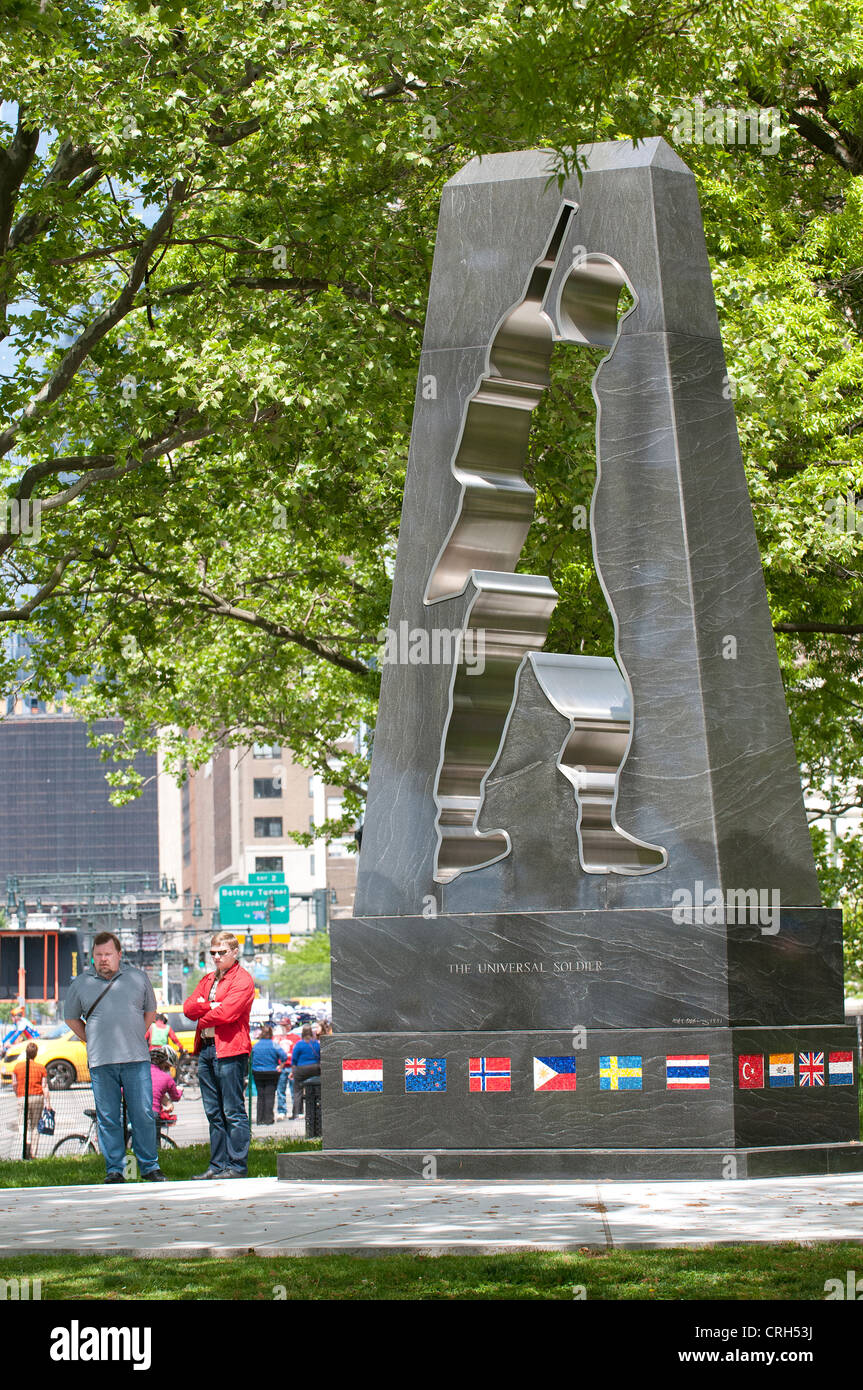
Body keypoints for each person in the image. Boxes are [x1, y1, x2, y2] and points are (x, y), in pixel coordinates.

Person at [64, 931, 166, 1183]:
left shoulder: (137, 978)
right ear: (92, 957)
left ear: (119, 955)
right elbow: (70, 1018)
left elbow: (150, 1011)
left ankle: (149, 1166)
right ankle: (115, 1169)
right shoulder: (81, 984)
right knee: (108, 1117)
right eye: (98, 955)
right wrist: (92, 1038)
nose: (103, 959)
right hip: (101, 1062)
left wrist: (135, 1033)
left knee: (142, 1114)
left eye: (108, 954)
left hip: (136, 1060)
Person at [183, 931, 254, 1179]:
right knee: (213, 1111)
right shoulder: (208, 979)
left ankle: (236, 1166)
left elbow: (228, 1013)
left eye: (221, 952)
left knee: (232, 1109)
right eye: (212, 953)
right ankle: (217, 1165)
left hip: (231, 1050)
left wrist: (205, 1013)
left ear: (234, 952)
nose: (216, 957)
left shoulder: (242, 980)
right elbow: (188, 1008)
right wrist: (209, 1006)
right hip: (207, 1049)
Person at [11, 1041, 49, 1158]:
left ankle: (26, 1146)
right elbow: (44, 1086)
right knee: (35, 1125)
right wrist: (48, 1103)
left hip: (22, 1097)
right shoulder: (41, 1068)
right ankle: (33, 1153)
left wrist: (17, 1093)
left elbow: (14, 1083)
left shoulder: (17, 1067)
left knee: (23, 1124)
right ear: (35, 1054)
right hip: (37, 1097)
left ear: (26, 1053)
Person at [250, 1025, 287, 1125]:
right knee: (269, 1095)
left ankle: (260, 1118)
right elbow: (284, 1056)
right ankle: (268, 1118)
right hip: (271, 1072)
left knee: (260, 1096)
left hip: (257, 1072)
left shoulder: (256, 1045)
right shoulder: (274, 1045)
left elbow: (250, 1058)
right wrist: (281, 1065)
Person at [289, 1024, 321, 1120]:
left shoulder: (299, 1044)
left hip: (301, 1069)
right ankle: (315, 1111)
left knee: (297, 1091)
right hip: (314, 1068)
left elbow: (294, 1059)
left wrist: (293, 1071)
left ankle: (297, 1113)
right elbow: (320, 1057)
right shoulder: (316, 1044)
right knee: (316, 1091)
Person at [150, 1047, 183, 1128]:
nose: (167, 1070)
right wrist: (180, 1090)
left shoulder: (142, 1071)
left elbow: (154, 1091)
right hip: (153, 1112)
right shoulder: (166, 1078)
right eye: (167, 1067)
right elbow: (176, 1097)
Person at [275, 1015, 300, 1118]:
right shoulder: (277, 1038)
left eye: (284, 1026)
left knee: (294, 1090)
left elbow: (298, 1053)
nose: (282, 1028)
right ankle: (282, 1110)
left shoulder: (295, 1038)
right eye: (281, 1026)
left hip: (291, 1066)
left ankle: (296, 1111)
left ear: (289, 1026)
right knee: (280, 1090)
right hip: (281, 1066)